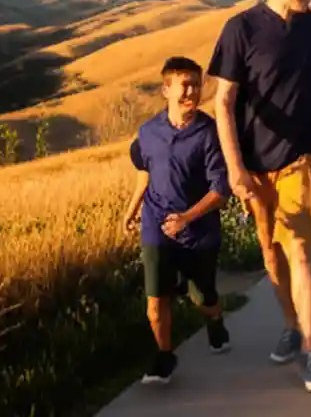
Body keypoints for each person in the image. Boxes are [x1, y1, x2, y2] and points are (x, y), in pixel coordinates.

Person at [208, 0, 311, 394]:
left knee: (300, 251)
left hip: (298, 164)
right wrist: (234, 167)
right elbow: (222, 102)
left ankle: (310, 350)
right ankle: (290, 322)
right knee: (271, 254)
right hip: (254, 167)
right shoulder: (240, 29)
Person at [121, 56, 232, 385]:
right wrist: (131, 209)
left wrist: (186, 218)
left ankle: (214, 321)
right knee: (156, 300)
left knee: (203, 297)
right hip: (156, 225)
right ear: (165, 90)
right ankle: (164, 357)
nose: (192, 92)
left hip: (199, 230)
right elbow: (146, 172)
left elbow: (221, 191)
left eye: (197, 85)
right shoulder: (148, 132)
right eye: (185, 85)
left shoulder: (209, 133)